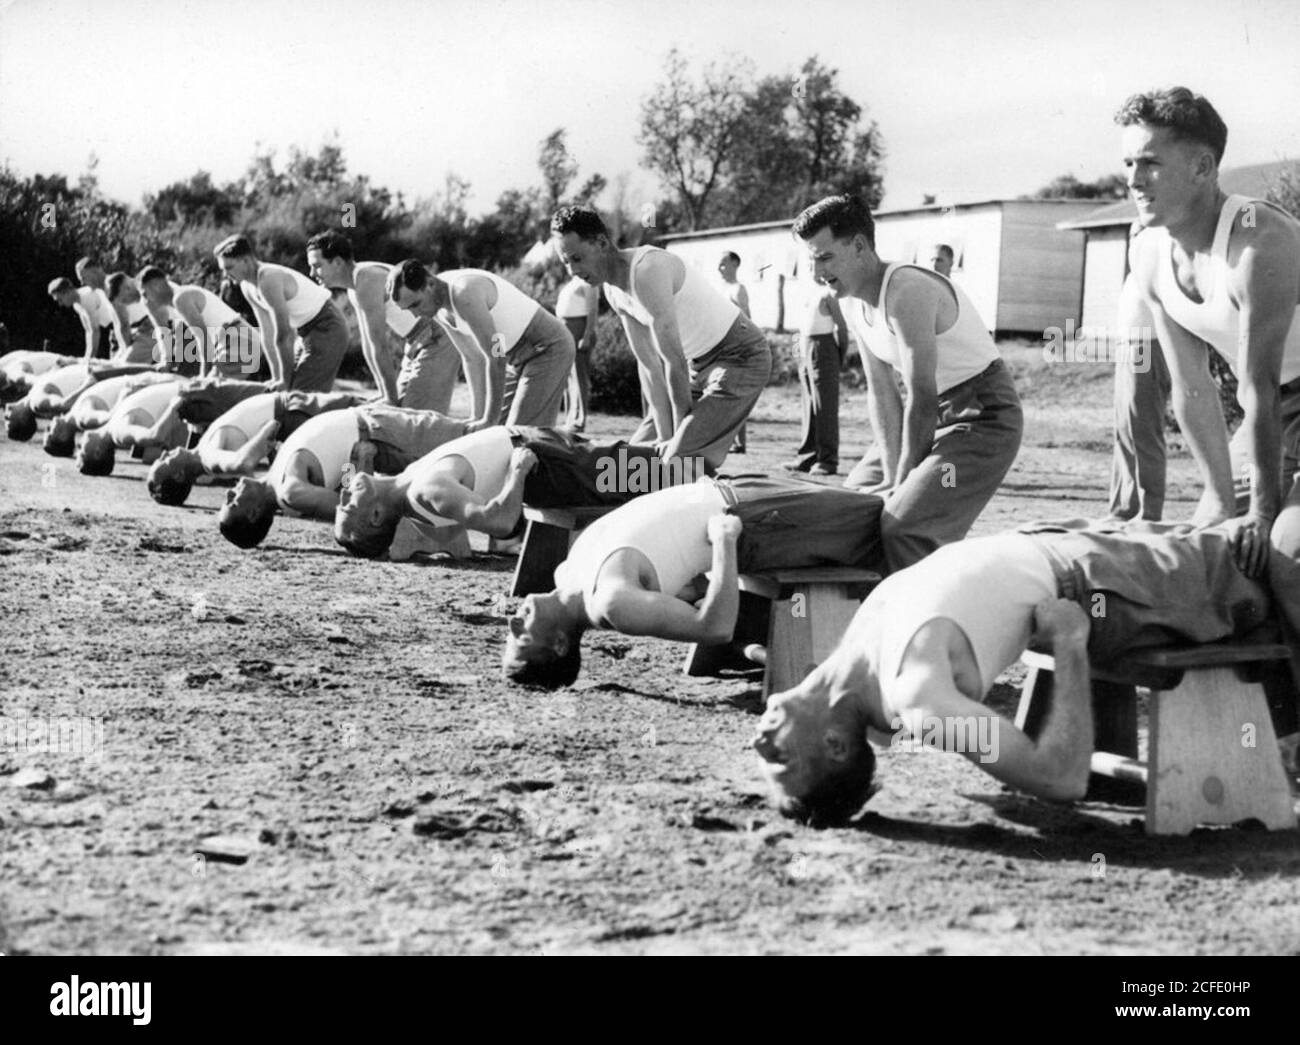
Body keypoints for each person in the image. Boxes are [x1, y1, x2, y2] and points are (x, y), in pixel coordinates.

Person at [753, 518, 1289, 825]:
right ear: (835, 746)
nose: (760, 744)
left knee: (1252, 529)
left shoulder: (852, 663)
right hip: (1099, 583)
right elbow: (1060, 777)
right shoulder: (923, 702)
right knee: (1271, 552)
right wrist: (1072, 644)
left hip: (1064, 539)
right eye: (780, 758)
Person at [1117, 86, 1300, 642]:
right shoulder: (1148, 252)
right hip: (1275, 413)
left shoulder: (1258, 242)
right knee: (1211, 552)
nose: (1132, 179)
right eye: (1127, 162)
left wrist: (1262, 511)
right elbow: (1192, 391)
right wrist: (1221, 499)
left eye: (1150, 162)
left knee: (1286, 550)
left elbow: (1258, 389)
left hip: (1270, 399)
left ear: (1202, 166)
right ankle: (1275, 718)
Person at [793, 194, 1023, 573]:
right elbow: (882, 393)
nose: (818, 273)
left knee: (905, 526)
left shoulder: (906, 290)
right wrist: (888, 477)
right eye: (811, 261)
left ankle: (929, 618)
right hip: (933, 417)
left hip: (983, 420)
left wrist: (901, 483)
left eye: (825, 258)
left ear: (860, 246)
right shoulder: (851, 300)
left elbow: (921, 395)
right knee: (853, 508)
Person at [502, 477, 885, 688]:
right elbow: (714, 628)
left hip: (733, 488)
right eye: (521, 637)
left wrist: (694, 587)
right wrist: (724, 542)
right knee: (883, 514)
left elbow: (671, 571)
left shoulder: (566, 574)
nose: (512, 622)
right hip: (757, 520)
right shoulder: (612, 604)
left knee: (874, 495)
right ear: (559, 643)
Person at [551, 206, 772, 472]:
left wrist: (675, 440)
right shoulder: (613, 292)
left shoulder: (647, 271)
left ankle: (709, 498)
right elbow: (649, 367)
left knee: (674, 464)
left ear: (600, 243)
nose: (573, 270)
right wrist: (664, 437)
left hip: (740, 357)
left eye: (577, 258)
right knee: (625, 468)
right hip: (696, 367)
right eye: (566, 263)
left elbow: (672, 362)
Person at [334, 427, 673, 560]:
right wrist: (518, 471)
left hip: (543, 447)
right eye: (349, 507)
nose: (345, 496)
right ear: (376, 515)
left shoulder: (406, 480)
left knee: (661, 462)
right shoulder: (425, 490)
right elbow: (498, 522)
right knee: (670, 468)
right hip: (548, 465)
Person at [217, 402, 466, 548]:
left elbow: (340, 474)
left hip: (372, 422)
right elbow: (353, 505)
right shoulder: (291, 492)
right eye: (232, 502)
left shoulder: (275, 476)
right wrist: (364, 462)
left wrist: (355, 463)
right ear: (253, 514)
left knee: (468, 433)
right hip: (381, 436)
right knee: (468, 434)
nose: (229, 492)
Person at [386, 260, 573, 430]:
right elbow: (471, 357)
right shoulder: (435, 304)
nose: (416, 314)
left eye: (415, 304)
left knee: (520, 436)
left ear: (430, 284)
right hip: (514, 357)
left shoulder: (464, 295)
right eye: (409, 309)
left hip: (547, 347)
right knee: (493, 436)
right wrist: (478, 416)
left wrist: (488, 420)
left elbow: (495, 356)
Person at [304, 232, 466, 412]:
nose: (312, 273)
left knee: (414, 417)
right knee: (400, 412)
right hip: (416, 342)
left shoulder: (366, 280)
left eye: (317, 266)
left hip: (437, 338)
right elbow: (369, 345)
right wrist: (384, 394)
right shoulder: (354, 289)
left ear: (338, 262)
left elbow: (379, 346)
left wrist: (390, 398)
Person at [145, 389, 368, 505]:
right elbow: (243, 462)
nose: (165, 453)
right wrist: (267, 431)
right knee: (366, 411)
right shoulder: (208, 457)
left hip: (293, 413)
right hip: (292, 414)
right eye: (164, 462)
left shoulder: (204, 448)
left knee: (353, 447)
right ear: (180, 474)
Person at [213, 235, 347, 391]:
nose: (225, 275)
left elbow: (284, 335)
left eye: (229, 268)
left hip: (328, 325)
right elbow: (267, 334)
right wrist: (277, 378)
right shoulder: (247, 287)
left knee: (300, 395)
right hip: (306, 332)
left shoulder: (268, 279)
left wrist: (284, 380)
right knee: (288, 390)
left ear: (246, 261)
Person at [1107, 256, 1173, 522]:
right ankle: (1123, 507)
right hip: (1128, 345)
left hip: (1149, 346)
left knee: (1143, 429)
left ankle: (1150, 510)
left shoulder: (1161, 266)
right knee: (1123, 430)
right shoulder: (1136, 271)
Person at [137, 266, 262, 379]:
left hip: (238, 340)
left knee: (208, 391)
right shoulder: (179, 299)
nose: (145, 301)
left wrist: (203, 375)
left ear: (156, 286)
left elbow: (203, 339)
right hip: (234, 340)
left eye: (145, 294)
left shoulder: (181, 299)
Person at [786, 277, 849, 476]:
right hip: (805, 346)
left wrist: (839, 356)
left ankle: (828, 460)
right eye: (811, 265)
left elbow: (842, 327)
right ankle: (807, 456)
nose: (815, 270)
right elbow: (801, 326)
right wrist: (798, 352)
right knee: (809, 406)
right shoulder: (806, 291)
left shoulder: (829, 294)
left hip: (823, 347)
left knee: (825, 406)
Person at [717, 251, 752, 453]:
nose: (719, 269)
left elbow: (747, 319)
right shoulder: (721, 289)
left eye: (723, 264)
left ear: (734, 265)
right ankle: (728, 440)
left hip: (736, 346)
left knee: (736, 394)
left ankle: (740, 442)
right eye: (718, 265)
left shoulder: (738, 289)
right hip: (721, 345)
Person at [556, 274, 600, 430]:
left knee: (579, 375)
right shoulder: (573, 282)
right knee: (569, 377)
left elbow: (593, 309)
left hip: (579, 328)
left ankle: (580, 420)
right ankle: (570, 418)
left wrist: (587, 335)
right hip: (566, 327)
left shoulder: (588, 282)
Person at [47, 277, 114, 364]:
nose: (60, 304)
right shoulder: (76, 305)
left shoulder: (86, 298)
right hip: (114, 328)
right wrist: (86, 357)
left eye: (60, 299)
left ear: (67, 292)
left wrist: (90, 360)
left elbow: (95, 331)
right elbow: (88, 331)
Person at [103, 273, 159, 365]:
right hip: (148, 329)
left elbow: (124, 325)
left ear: (128, 288)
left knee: (125, 363)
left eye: (124, 300)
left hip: (168, 330)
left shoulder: (149, 289)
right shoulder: (141, 290)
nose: (126, 305)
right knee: (117, 361)